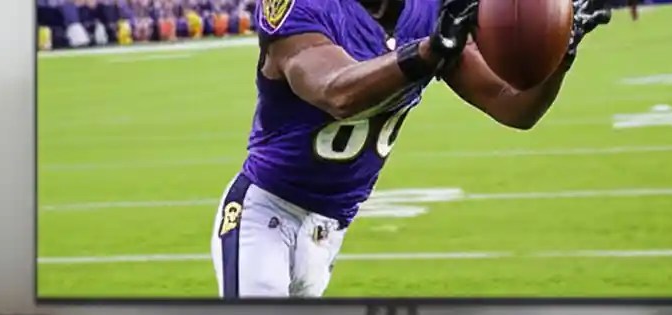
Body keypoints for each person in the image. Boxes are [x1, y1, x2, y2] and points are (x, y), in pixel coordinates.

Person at [210, 0, 614, 299]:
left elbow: (513, 107)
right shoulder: (304, 8)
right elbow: (337, 92)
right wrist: (427, 53)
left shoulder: (426, 12)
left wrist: (561, 55)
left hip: (327, 231)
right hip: (264, 217)